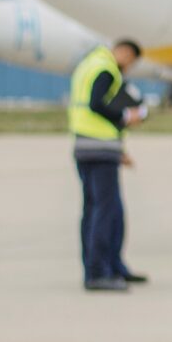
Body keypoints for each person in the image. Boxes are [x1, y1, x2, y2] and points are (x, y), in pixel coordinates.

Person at [67, 38, 148, 291]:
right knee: (107, 211)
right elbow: (97, 104)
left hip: (85, 145)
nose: (128, 66)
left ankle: (108, 266)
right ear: (124, 52)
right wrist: (127, 116)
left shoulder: (88, 64)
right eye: (131, 61)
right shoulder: (105, 68)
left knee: (94, 209)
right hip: (100, 147)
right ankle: (99, 272)